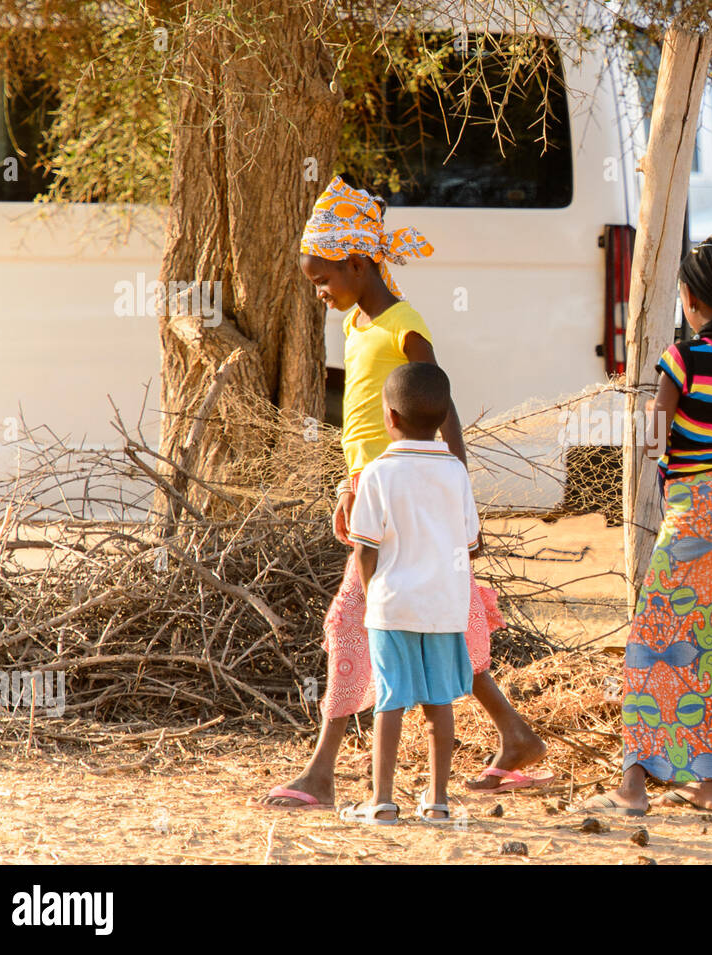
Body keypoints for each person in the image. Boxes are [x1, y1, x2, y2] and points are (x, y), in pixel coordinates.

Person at [258, 176, 546, 810]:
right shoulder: (361, 321)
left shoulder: (404, 325)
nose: (321, 291)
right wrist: (349, 485)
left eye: (324, 279)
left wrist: (456, 496)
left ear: (358, 262)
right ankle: (516, 734)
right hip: (372, 489)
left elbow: (443, 408)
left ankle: (323, 773)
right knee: (447, 619)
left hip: (408, 493)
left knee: (353, 622)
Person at [583, 234, 712, 815]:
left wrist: (671, 436)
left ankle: (633, 786)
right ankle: (711, 785)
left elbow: (651, 440)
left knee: (652, 644)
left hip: (690, 516)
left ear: (694, 301)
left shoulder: (684, 358)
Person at [340, 362, 478, 823]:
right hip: (444, 608)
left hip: (392, 605)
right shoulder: (456, 472)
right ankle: (438, 802)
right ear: (441, 420)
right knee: (439, 703)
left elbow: (365, 546)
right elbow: (472, 544)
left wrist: (370, 590)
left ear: (390, 417)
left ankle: (381, 800)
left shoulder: (378, 473)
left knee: (391, 699)